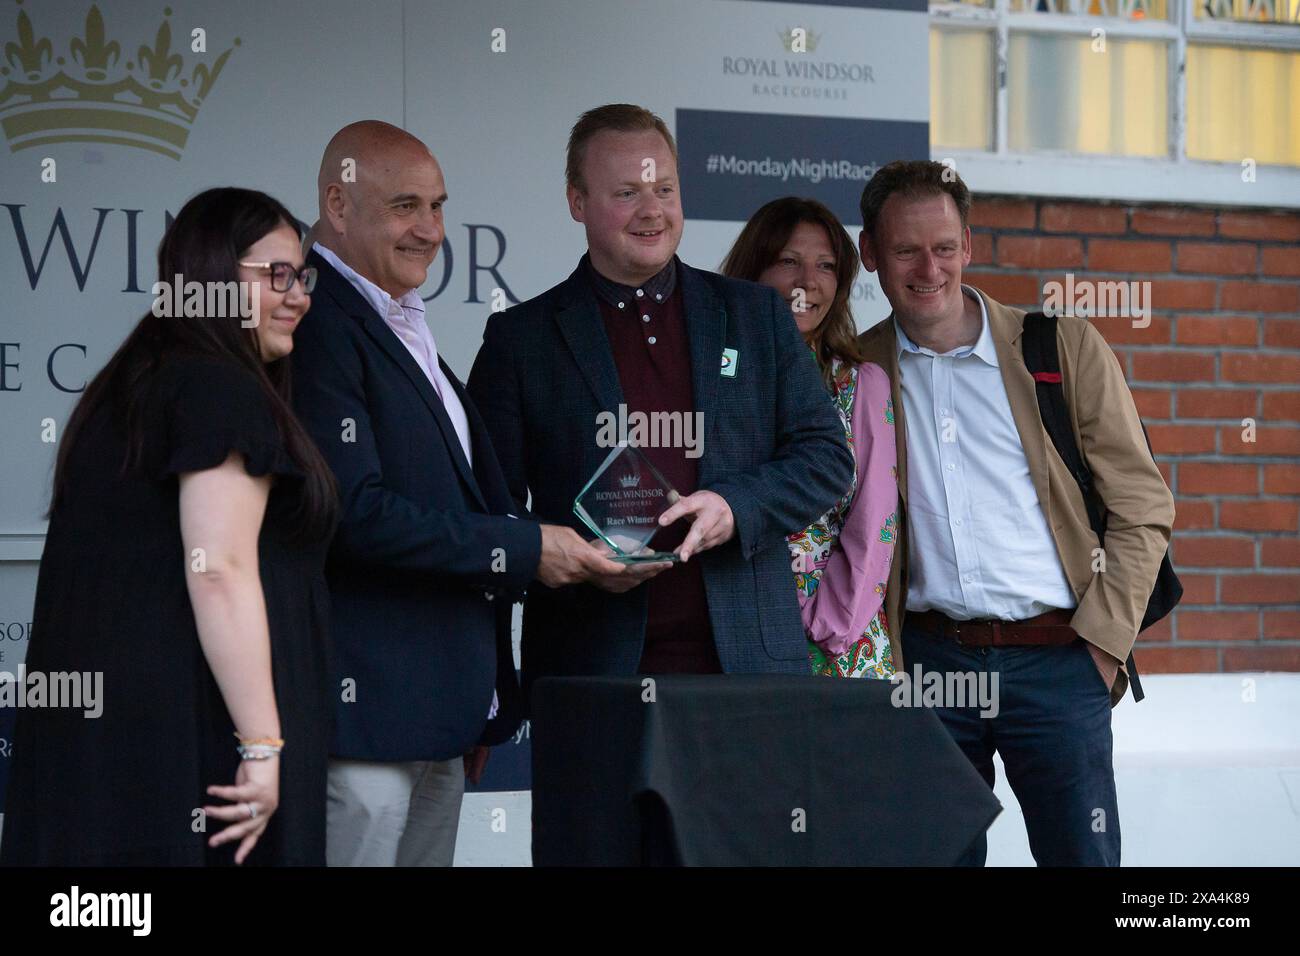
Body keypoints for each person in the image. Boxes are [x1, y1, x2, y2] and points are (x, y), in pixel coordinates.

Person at [291, 121, 620, 867]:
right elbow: (353, 514)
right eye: (407, 206)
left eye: (439, 206)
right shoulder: (316, 325)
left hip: (435, 718)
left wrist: (485, 699)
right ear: (338, 206)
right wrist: (531, 548)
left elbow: (465, 506)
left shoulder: (393, 320)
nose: (432, 231)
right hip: (363, 721)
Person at [467, 104, 854, 695]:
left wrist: (734, 507)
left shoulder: (754, 316)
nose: (652, 211)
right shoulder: (521, 339)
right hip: (588, 671)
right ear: (577, 203)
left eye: (664, 189)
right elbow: (488, 514)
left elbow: (827, 455)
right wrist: (570, 556)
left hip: (748, 670)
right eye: (627, 192)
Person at [1, 187, 336, 866]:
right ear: (212, 276)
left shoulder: (130, 385)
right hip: (197, 748)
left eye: (301, 275)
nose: (298, 294)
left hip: (114, 755)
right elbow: (219, 569)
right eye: (274, 274)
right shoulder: (219, 388)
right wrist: (263, 748)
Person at [856, 160, 1175, 866]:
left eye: (944, 247)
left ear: (969, 246)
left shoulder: (1058, 347)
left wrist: (1103, 644)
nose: (928, 267)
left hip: (1060, 662)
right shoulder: (859, 369)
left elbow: (1142, 505)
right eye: (906, 249)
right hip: (929, 664)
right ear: (870, 255)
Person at [722, 197, 898, 679]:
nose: (808, 281)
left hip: (836, 645)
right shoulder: (714, 376)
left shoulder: (861, 384)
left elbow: (875, 526)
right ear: (752, 271)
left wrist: (823, 623)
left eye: (825, 266)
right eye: (788, 262)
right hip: (729, 631)